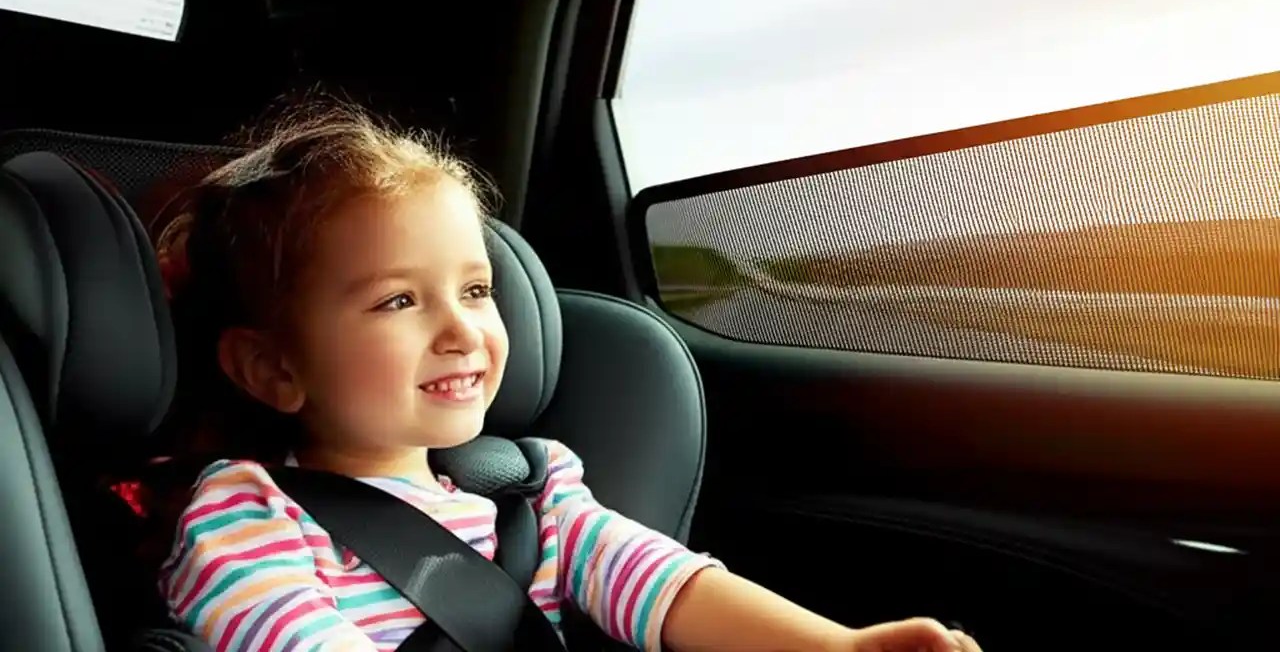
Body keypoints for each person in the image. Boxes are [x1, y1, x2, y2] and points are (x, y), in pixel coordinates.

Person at [150, 101, 983, 652]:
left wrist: (834, 645)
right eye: (399, 300)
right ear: (273, 368)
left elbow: (664, 583)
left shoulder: (533, 488)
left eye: (476, 290)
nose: (462, 330)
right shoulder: (249, 514)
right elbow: (289, 635)